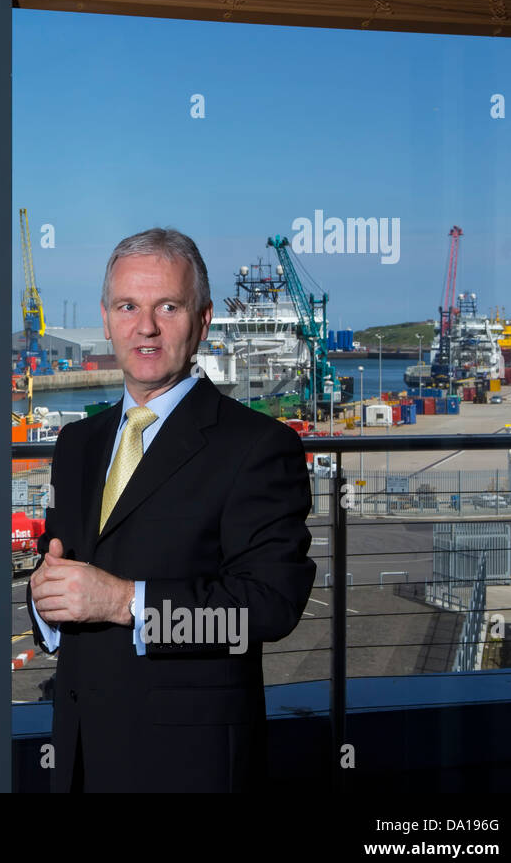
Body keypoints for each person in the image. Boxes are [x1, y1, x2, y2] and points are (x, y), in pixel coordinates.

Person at [27, 228, 315, 792]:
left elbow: (268, 608)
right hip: (80, 754)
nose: (147, 327)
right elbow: (61, 570)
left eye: (168, 306)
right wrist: (44, 603)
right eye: (128, 306)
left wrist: (122, 601)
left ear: (202, 321)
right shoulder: (77, 444)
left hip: (189, 762)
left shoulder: (258, 446)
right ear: (107, 319)